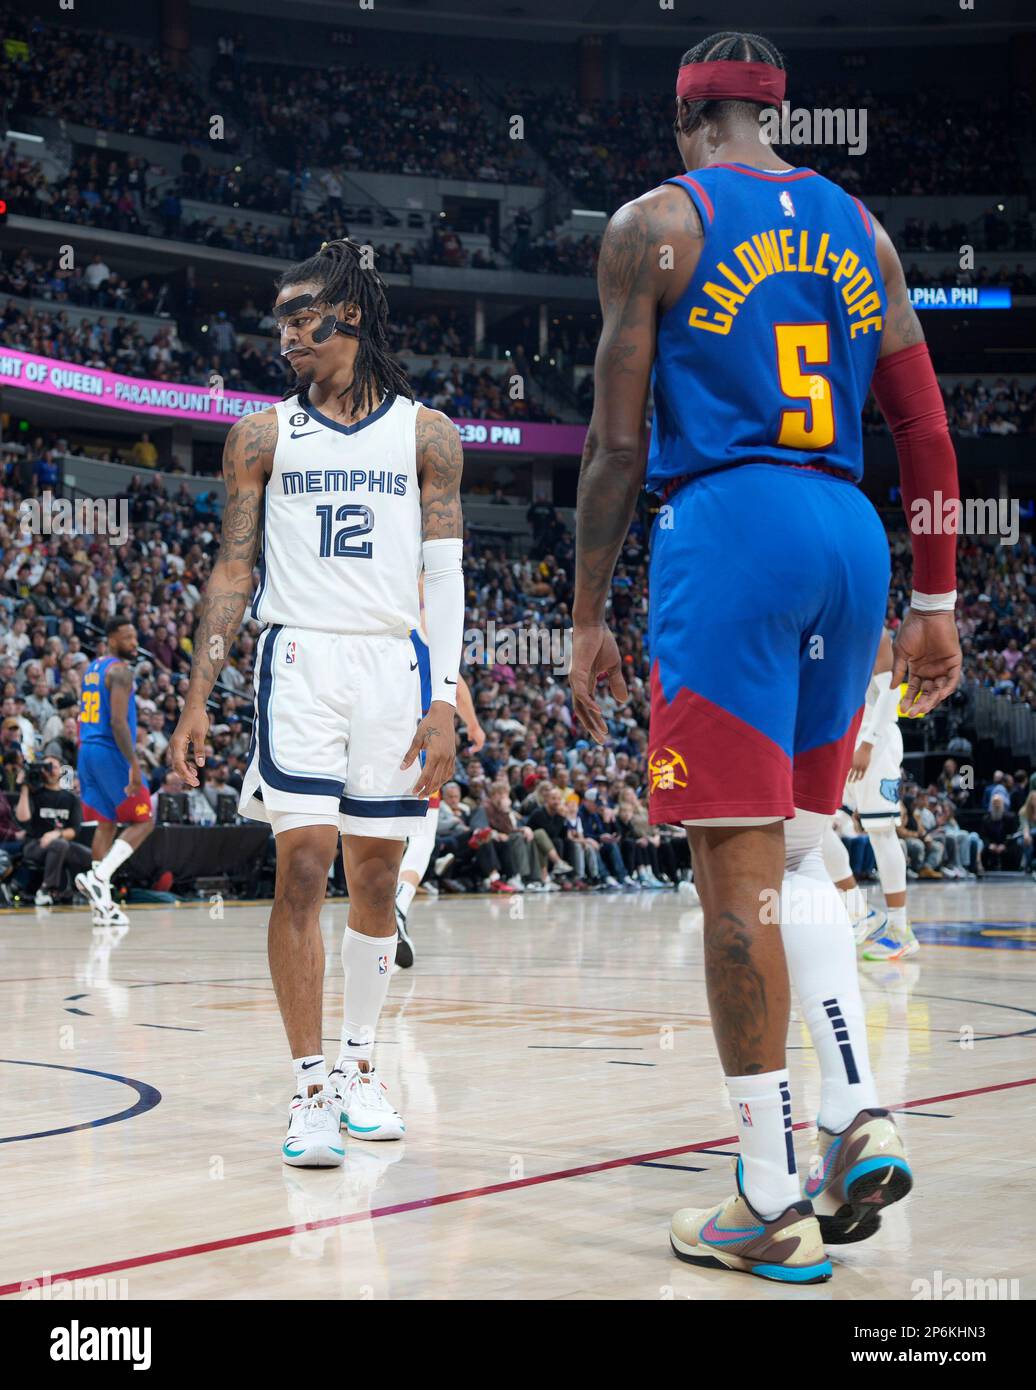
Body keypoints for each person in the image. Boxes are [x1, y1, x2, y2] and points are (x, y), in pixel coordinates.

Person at [569, 32, 960, 1283]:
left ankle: (767, 1193)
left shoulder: (654, 226)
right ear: (773, 116)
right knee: (801, 848)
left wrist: (585, 612)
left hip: (732, 527)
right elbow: (924, 425)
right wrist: (937, 597)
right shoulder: (864, 230)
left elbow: (615, 446)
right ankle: (855, 1111)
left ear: (683, 121)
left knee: (731, 875)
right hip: (849, 535)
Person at [169, 238, 464, 1167]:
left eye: (303, 317)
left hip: (393, 662)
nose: (287, 335)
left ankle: (360, 1067)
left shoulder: (427, 433)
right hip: (298, 657)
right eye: (281, 321)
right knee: (301, 866)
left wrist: (445, 696)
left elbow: (445, 575)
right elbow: (232, 569)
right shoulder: (259, 436)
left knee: (376, 877)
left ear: (352, 315)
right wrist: (198, 695)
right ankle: (307, 1091)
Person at [393, 572, 485, 968]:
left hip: (377, 734)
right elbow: (455, 685)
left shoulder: (383, 613)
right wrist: (474, 726)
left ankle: (371, 918)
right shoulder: (427, 619)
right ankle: (398, 904)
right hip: (418, 738)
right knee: (422, 834)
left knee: (378, 829)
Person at [822, 632, 918, 959]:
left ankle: (900, 929)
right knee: (811, 827)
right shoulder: (822, 627)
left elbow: (890, 693)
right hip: (838, 741)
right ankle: (859, 913)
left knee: (881, 833)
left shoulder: (874, 632)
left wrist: (868, 744)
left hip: (873, 745)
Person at [74, 619, 156, 926]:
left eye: (135, 636)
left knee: (106, 824)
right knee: (145, 820)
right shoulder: (120, 671)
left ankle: (103, 908)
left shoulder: (92, 668)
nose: (134, 642)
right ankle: (99, 877)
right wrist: (134, 763)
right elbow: (118, 722)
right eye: (127, 637)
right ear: (111, 639)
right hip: (110, 751)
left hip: (87, 750)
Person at [15, 756, 91, 906]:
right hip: (35, 844)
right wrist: (24, 787)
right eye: (46, 767)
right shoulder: (34, 794)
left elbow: (75, 830)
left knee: (92, 857)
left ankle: (89, 890)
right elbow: (22, 819)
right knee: (60, 845)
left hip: (62, 844)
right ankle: (46, 890)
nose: (49, 770)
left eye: (53, 767)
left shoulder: (71, 798)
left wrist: (56, 834)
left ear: (62, 771)